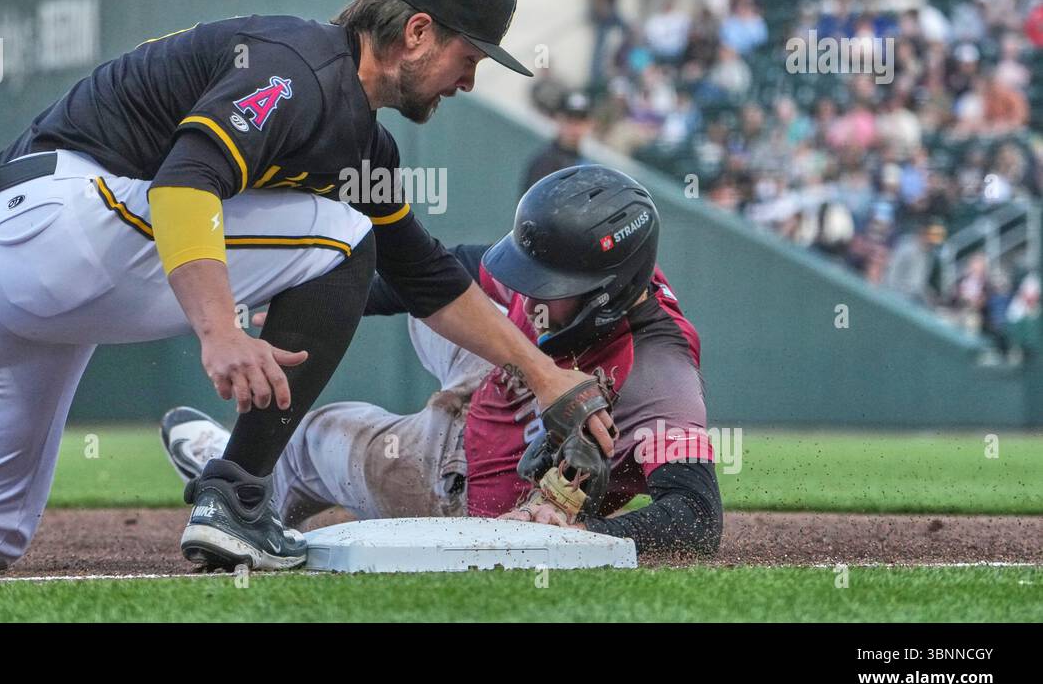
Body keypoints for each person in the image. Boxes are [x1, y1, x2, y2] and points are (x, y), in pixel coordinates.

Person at [0, 0, 610, 573]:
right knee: (343, 235)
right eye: (470, 54)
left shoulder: (358, 138)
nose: (470, 78)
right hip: (65, 218)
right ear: (418, 30)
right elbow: (185, 183)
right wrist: (220, 330)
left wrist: (543, 375)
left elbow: (422, 275)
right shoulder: (302, 70)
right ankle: (235, 495)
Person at [162, 166, 722, 556]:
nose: (526, 293)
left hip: (470, 482)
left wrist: (576, 535)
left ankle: (233, 466)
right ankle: (328, 504)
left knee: (315, 434)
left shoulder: (659, 372)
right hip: (511, 380)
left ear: (606, 292)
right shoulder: (589, 284)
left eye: (545, 284)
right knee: (438, 309)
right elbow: (443, 278)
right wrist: (334, 303)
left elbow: (697, 518)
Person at [522, 91, 592, 193]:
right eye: (570, 120)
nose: (575, 128)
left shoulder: (586, 164)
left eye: (580, 121)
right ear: (558, 119)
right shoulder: (545, 163)